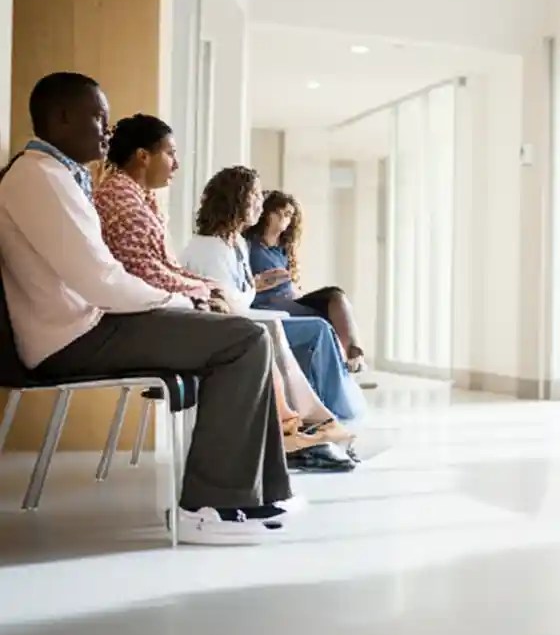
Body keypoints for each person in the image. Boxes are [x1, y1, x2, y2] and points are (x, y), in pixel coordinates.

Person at [0, 72, 290, 544]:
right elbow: (100, 280)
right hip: (74, 337)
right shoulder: (37, 178)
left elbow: (103, 279)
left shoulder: (57, 177)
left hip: (91, 323)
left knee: (242, 335)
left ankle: (251, 493)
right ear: (61, 117)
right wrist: (179, 299)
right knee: (244, 340)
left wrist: (182, 300)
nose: (106, 128)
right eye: (98, 116)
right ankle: (208, 506)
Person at [93, 114, 356, 472]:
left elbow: (163, 270)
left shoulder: (141, 200)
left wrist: (208, 289)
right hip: (140, 320)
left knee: (270, 330)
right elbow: (146, 272)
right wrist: (205, 291)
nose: (176, 163)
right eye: (170, 153)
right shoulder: (123, 200)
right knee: (253, 336)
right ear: (143, 156)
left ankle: (304, 425)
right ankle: (292, 431)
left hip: (155, 310)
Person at [181, 166, 367, 424]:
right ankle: (332, 415)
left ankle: (319, 412)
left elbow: (237, 296)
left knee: (324, 317)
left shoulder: (235, 245)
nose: (260, 203)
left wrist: (253, 286)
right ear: (236, 199)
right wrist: (256, 287)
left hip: (246, 320)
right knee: (319, 329)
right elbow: (227, 306)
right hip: (233, 331)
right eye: (255, 196)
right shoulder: (211, 248)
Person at [244, 191, 369, 374]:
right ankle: (339, 366)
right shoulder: (250, 245)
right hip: (265, 303)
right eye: (277, 212)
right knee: (324, 317)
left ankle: (353, 354)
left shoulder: (283, 251)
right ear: (265, 213)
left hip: (290, 300)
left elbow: (291, 286)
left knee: (336, 296)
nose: (282, 219)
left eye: (288, 215)